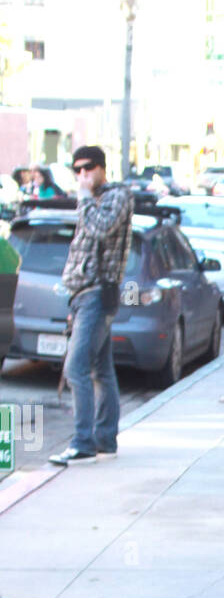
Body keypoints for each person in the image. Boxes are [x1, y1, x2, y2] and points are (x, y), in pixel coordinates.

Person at [48, 145, 133, 466]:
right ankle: (105, 440)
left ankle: (83, 442)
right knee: (100, 370)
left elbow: (101, 229)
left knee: (75, 368)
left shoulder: (117, 196)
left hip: (100, 292)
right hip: (84, 295)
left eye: (88, 168)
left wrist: (83, 197)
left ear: (101, 168)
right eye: (77, 170)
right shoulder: (91, 200)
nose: (82, 175)